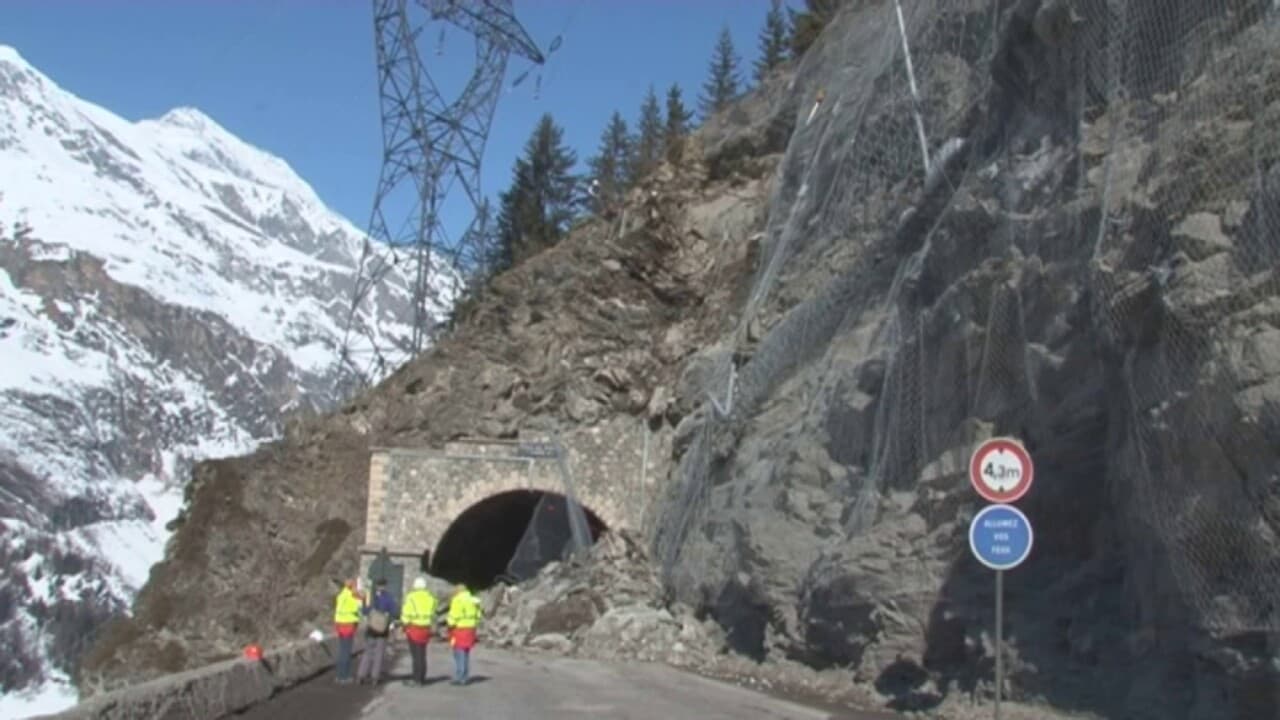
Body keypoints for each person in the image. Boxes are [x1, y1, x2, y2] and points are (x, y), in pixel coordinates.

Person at [357, 577, 400, 685]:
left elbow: (364, 611)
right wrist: (388, 619)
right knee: (379, 653)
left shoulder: (371, 598)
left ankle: (361, 675)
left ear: (376, 585)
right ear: (385, 586)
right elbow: (395, 612)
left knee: (368, 652)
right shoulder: (389, 598)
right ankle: (375, 677)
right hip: (383, 630)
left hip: (371, 629)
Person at [400, 576, 438, 686]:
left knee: (415, 655)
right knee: (422, 653)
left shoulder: (411, 597)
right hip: (426, 628)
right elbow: (434, 613)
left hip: (414, 628)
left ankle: (416, 678)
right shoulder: (431, 598)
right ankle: (422, 678)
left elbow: (406, 613)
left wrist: (404, 624)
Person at [445, 583, 483, 686]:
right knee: (466, 653)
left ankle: (460, 677)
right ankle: (465, 676)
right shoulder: (474, 600)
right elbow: (478, 615)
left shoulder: (457, 600)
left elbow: (453, 616)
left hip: (460, 629)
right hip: (471, 629)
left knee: (459, 654)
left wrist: (449, 624)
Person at [332, 578, 362, 685]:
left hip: (339, 625)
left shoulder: (340, 595)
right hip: (348, 625)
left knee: (341, 651)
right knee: (346, 651)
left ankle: (339, 675)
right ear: (352, 586)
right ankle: (345, 676)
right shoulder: (351, 596)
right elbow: (356, 608)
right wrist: (359, 598)